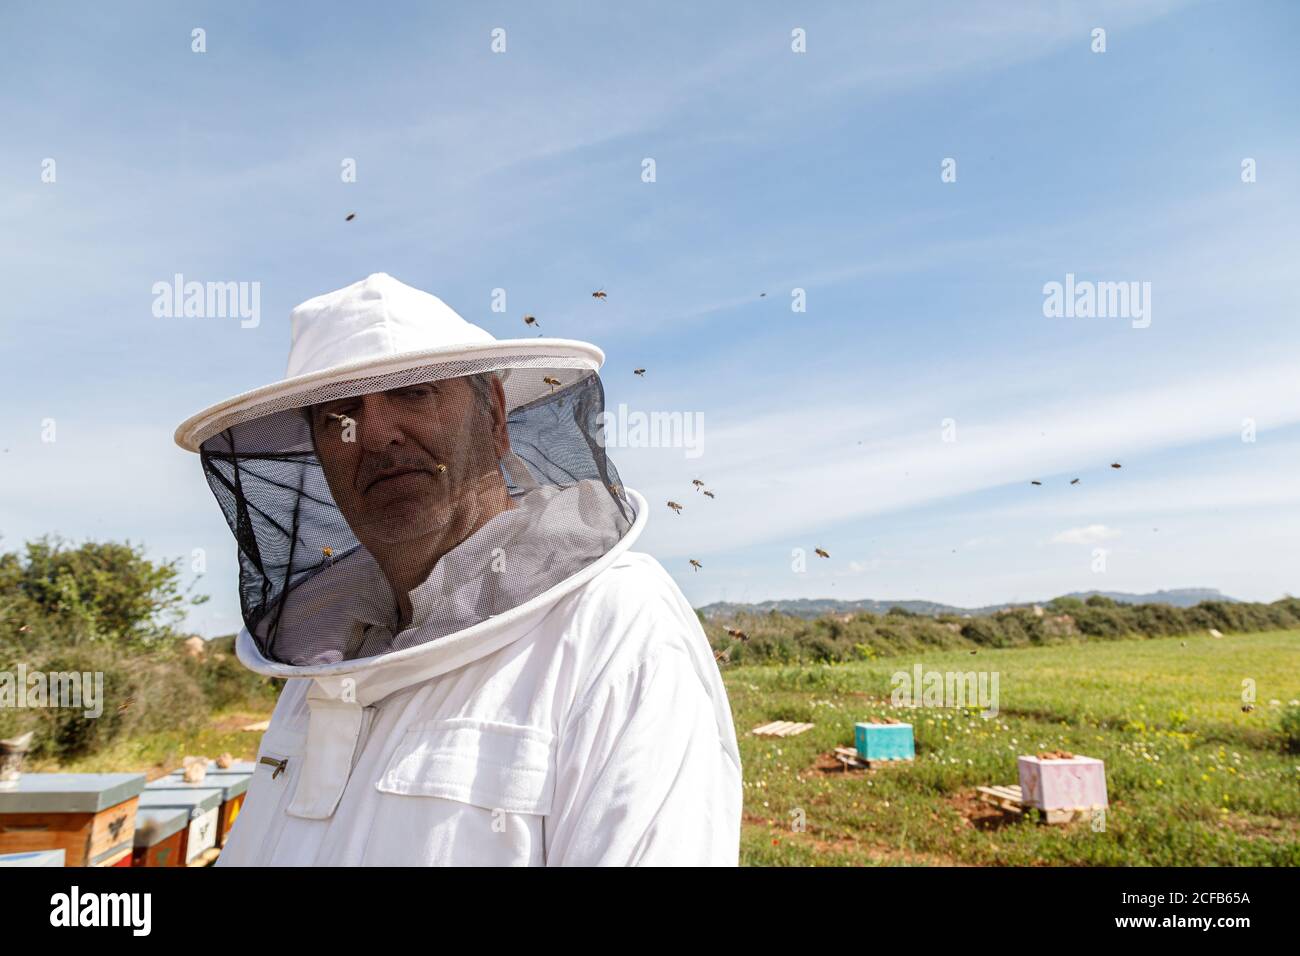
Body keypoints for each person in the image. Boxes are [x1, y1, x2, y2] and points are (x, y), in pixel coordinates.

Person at [174, 272, 742, 865]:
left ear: (493, 416)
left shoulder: (615, 627)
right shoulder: (323, 664)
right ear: (320, 455)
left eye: (412, 394)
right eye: (340, 415)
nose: (377, 434)